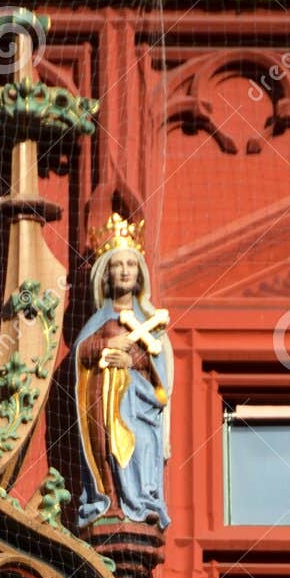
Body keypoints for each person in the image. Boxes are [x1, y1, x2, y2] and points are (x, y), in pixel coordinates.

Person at [74, 214, 172, 529]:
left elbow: (160, 368)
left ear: (140, 274)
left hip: (138, 402)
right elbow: (80, 354)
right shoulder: (98, 320)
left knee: (139, 444)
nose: (125, 270)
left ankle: (141, 503)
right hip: (101, 400)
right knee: (104, 447)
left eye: (131, 265)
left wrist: (134, 361)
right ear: (107, 274)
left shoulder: (150, 321)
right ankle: (109, 502)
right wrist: (105, 345)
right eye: (118, 265)